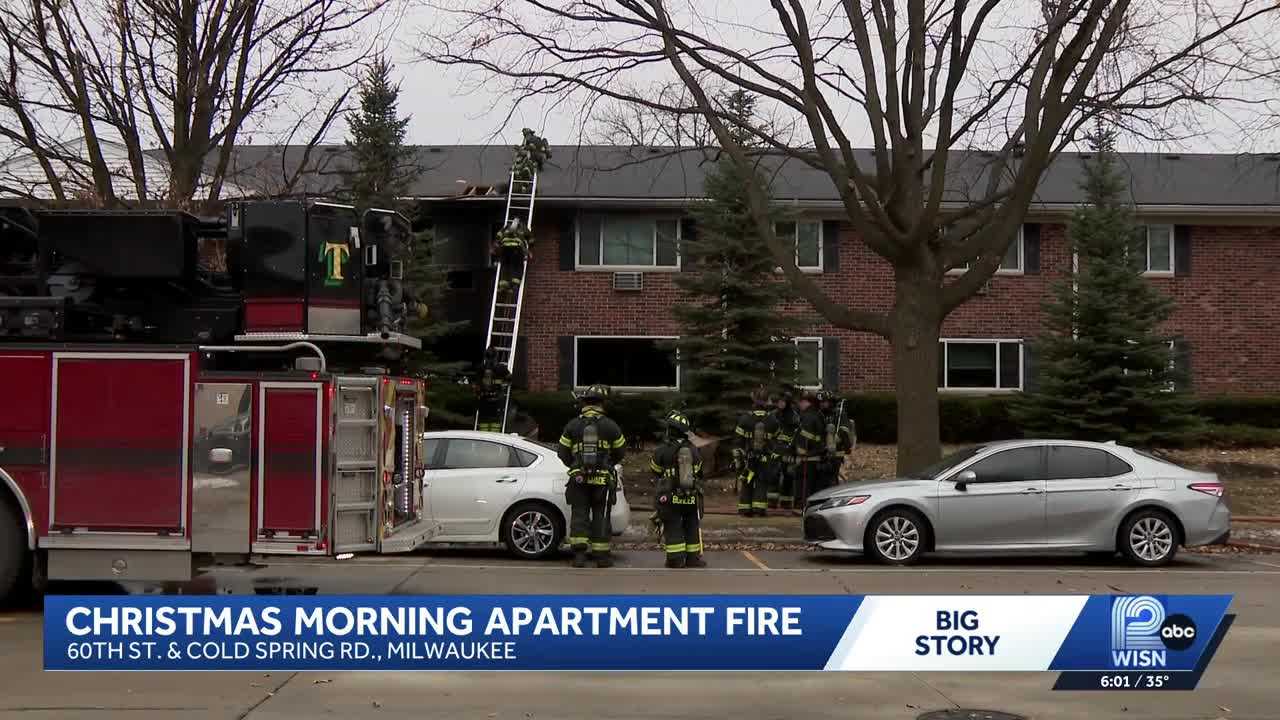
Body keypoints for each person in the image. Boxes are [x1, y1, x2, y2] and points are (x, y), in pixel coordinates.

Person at [557, 384, 626, 568]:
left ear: (585, 403)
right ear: (602, 403)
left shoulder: (573, 425)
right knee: (601, 516)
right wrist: (608, 464)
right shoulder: (611, 426)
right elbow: (620, 452)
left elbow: (562, 452)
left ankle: (579, 557)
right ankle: (602, 557)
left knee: (579, 516)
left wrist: (574, 465)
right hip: (602, 480)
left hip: (579, 478)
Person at [650, 410, 705, 568]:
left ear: (671, 430)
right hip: (691, 496)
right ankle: (693, 559)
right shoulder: (694, 450)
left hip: (670, 497)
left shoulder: (663, 450)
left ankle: (676, 559)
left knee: (673, 525)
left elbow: (655, 469)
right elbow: (699, 471)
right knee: (692, 525)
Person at [733, 386, 775, 517]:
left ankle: (745, 509)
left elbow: (738, 440)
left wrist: (738, 457)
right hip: (764, 459)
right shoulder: (772, 419)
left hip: (749, 459)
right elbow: (777, 440)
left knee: (747, 482)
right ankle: (759, 509)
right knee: (762, 482)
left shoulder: (745, 418)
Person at [792, 389, 827, 508]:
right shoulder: (818, 414)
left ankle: (802, 506)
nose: (799, 405)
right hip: (816, 456)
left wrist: (799, 453)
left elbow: (803, 438)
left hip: (807, 458)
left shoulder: (807, 417)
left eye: (800, 402)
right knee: (813, 485)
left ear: (806, 402)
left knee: (804, 485)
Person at [817, 391, 856, 488]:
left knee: (832, 479)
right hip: (821, 451)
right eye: (820, 402)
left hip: (836, 452)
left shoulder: (839, 414)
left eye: (824, 401)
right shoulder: (819, 414)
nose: (822, 404)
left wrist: (836, 440)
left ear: (830, 401)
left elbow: (845, 431)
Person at [771, 390, 800, 511]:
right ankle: (772, 501)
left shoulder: (794, 416)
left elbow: (797, 433)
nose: (780, 403)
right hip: (775, 449)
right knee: (773, 475)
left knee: (788, 475)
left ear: (787, 402)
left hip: (788, 449)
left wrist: (792, 449)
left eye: (783, 401)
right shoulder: (773, 415)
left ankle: (786, 502)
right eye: (779, 401)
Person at [474, 347, 511, 432]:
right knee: (495, 421)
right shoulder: (501, 368)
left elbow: (476, 384)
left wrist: (478, 393)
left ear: (485, 357)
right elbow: (510, 379)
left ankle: (484, 437)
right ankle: (493, 436)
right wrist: (501, 384)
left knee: (484, 421)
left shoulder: (481, 368)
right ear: (496, 357)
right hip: (496, 399)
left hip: (484, 399)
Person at [493, 219, 532, 292]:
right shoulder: (522, 227)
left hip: (505, 249)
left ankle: (503, 285)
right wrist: (529, 249)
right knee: (517, 267)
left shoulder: (506, 227)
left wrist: (497, 246)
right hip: (516, 250)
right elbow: (530, 239)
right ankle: (515, 285)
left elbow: (498, 236)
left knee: (505, 266)